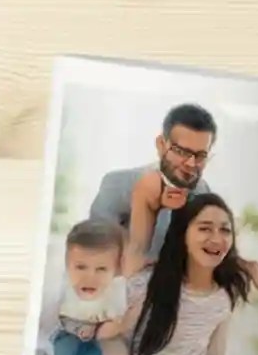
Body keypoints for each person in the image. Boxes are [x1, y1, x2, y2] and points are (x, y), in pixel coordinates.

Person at [117, 193, 258, 355]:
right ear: (183, 235)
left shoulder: (224, 299)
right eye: (205, 228)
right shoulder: (145, 283)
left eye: (225, 230)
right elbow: (116, 340)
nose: (216, 239)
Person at [88, 103, 217, 278]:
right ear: (161, 145)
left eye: (200, 155)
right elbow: (95, 257)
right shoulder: (117, 185)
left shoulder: (204, 193)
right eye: (181, 152)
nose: (191, 164)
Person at [50, 219, 132, 355]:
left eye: (101, 269)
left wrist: (113, 326)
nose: (90, 277)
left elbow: (120, 319)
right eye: (81, 267)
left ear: (116, 269)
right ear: (67, 264)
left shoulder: (118, 287)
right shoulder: (60, 285)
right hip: (69, 330)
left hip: (101, 334)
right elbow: (53, 317)